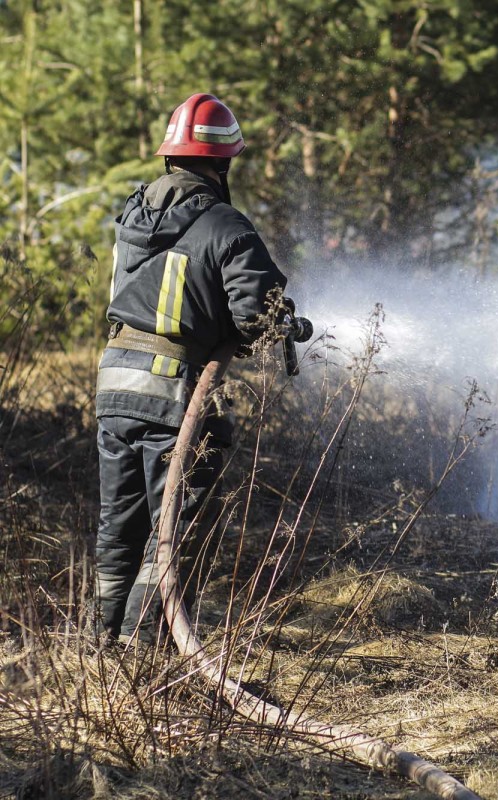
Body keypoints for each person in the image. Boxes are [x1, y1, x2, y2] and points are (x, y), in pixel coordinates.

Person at [95, 93, 289, 645]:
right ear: (223, 162)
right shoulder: (227, 224)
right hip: (173, 394)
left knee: (120, 525)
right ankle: (142, 655)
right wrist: (281, 325)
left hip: (113, 387)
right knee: (178, 533)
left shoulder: (131, 213)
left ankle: (101, 646)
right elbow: (259, 313)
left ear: (169, 158)